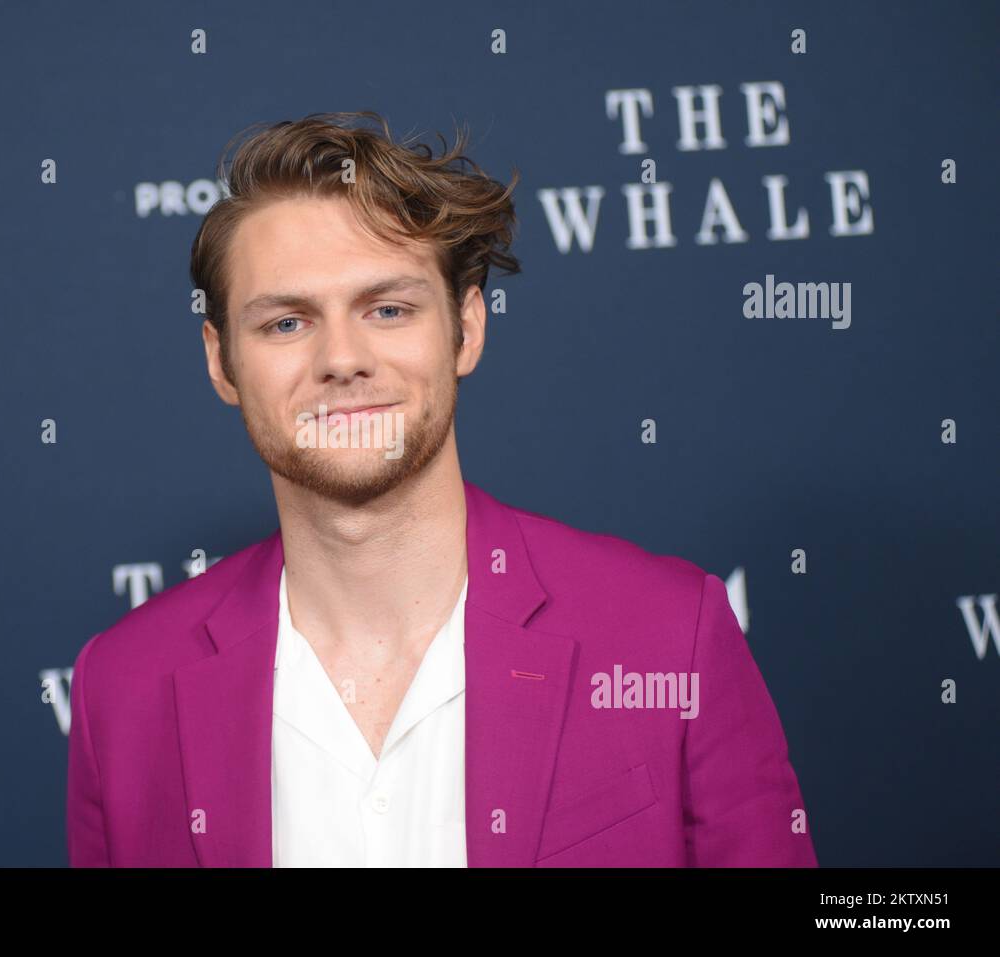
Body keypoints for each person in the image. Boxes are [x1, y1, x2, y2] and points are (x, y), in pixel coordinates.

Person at [67, 111, 817, 867]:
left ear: (467, 326)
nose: (342, 358)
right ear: (221, 360)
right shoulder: (123, 690)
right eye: (288, 322)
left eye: (387, 309)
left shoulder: (666, 636)